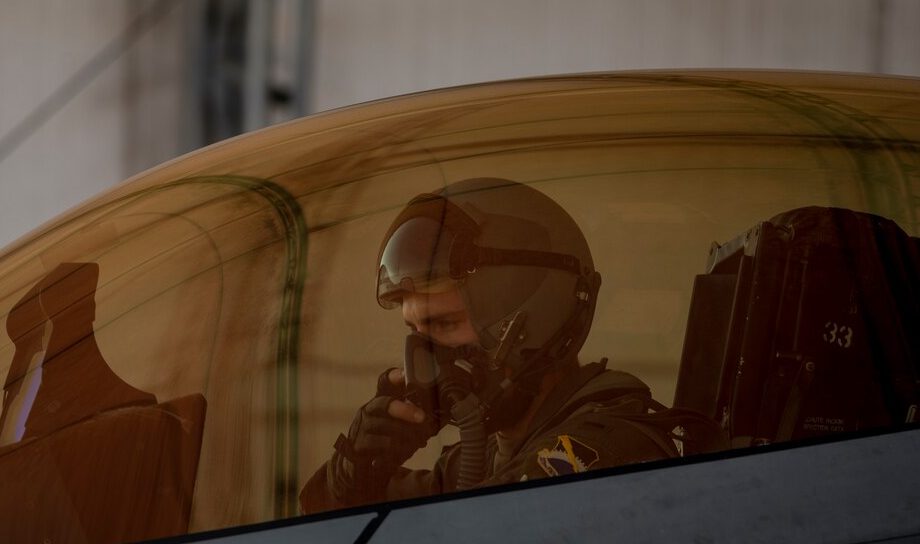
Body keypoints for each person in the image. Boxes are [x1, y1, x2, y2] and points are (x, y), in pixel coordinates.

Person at [300, 178, 706, 514]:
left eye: (445, 323)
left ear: (534, 321)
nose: (420, 359)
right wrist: (357, 466)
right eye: (415, 330)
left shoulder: (598, 451)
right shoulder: (485, 458)